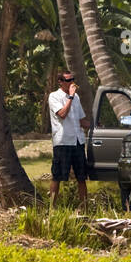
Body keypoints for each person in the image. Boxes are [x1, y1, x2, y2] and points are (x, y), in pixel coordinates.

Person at [48, 70, 89, 208]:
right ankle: (52, 208)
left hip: (78, 141)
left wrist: (97, 126)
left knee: (81, 177)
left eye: (73, 79)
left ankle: (84, 208)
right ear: (60, 82)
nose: (71, 82)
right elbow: (62, 114)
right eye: (68, 80)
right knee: (57, 176)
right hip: (63, 141)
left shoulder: (76, 98)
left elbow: (82, 120)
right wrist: (70, 97)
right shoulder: (54, 96)